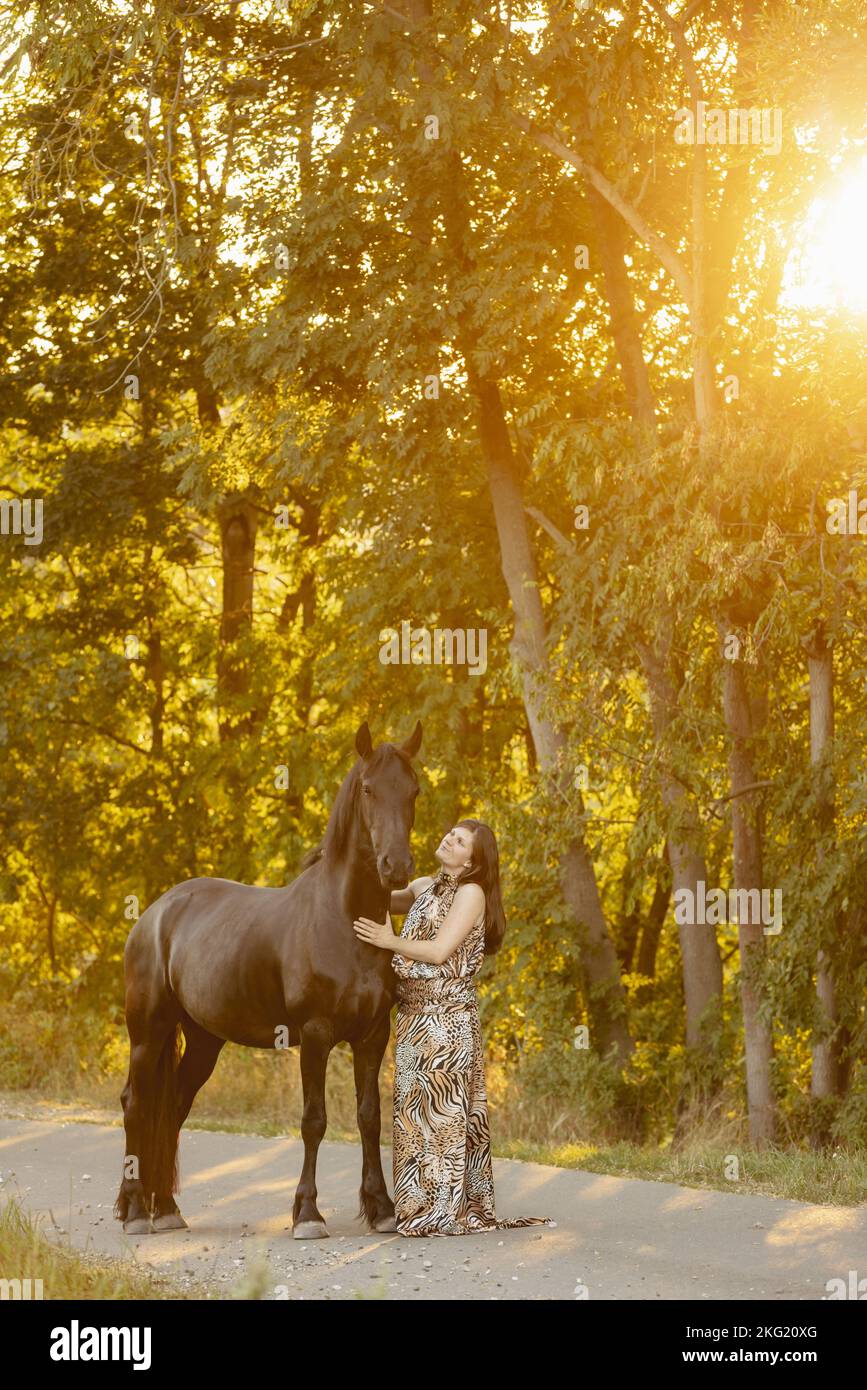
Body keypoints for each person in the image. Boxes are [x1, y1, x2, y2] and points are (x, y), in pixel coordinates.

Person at [352, 818, 555, 1237]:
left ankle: (444, 1210)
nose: (449, 838)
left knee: (442, 1117)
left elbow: (441, 950)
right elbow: (376, 898)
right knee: (414, 1118)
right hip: (411, 1017)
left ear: (472, 860)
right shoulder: (425, 885)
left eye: (460, 841)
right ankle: (416, 1207)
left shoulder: (472, 894)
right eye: (451, 833)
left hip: (446, 1022)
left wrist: (388, 942)